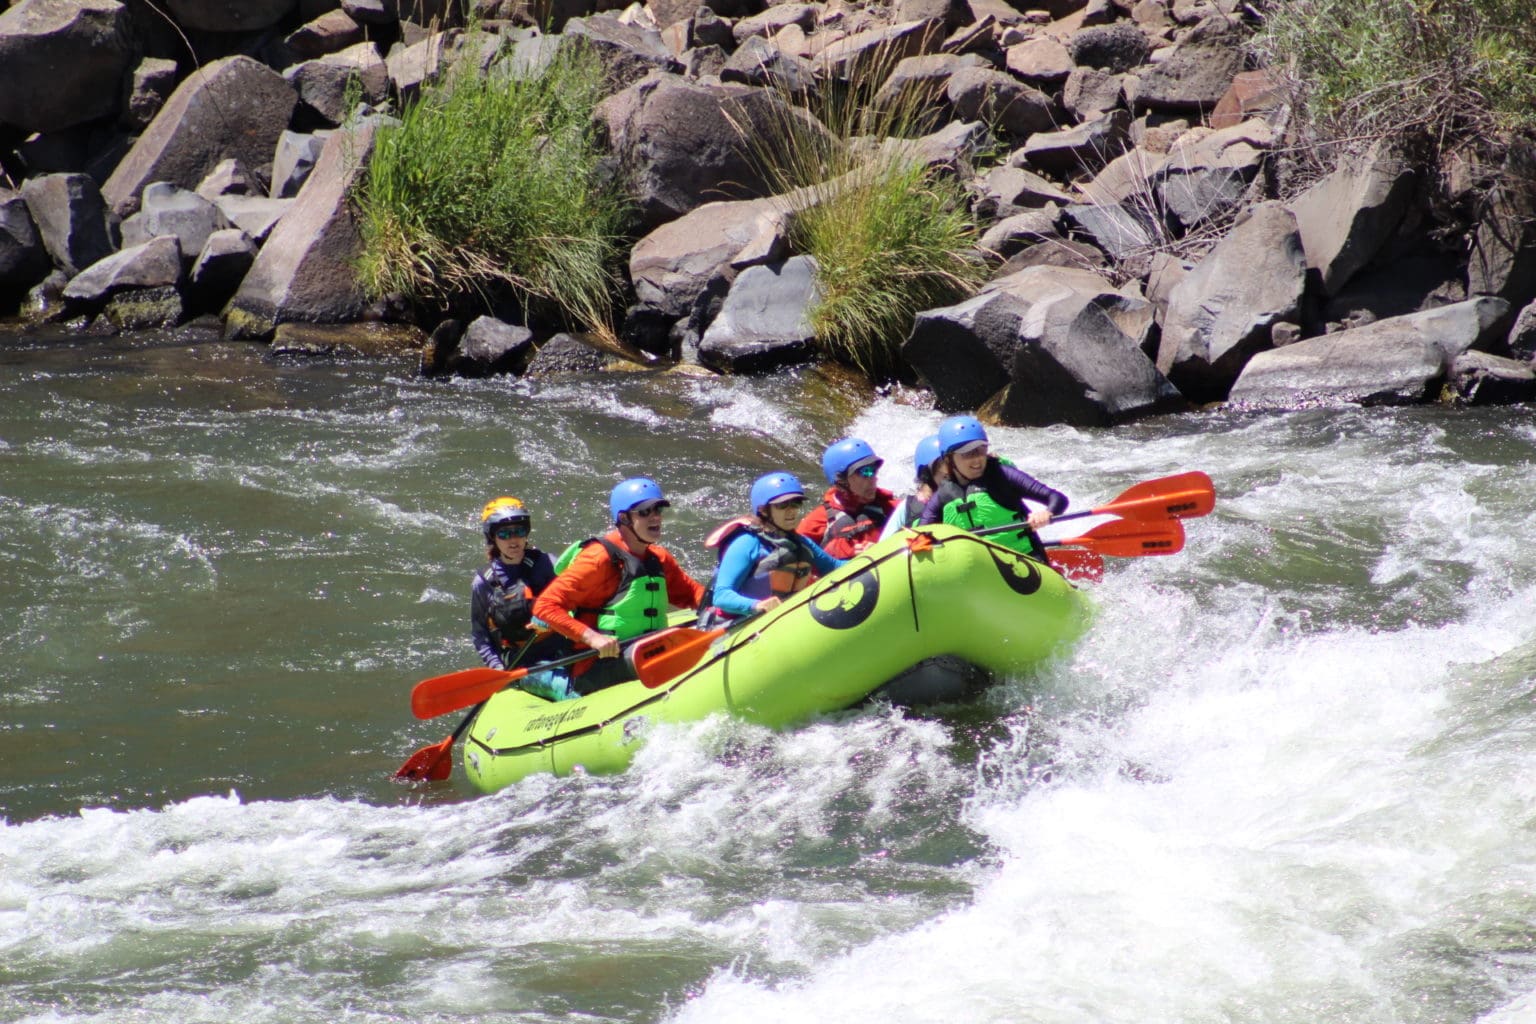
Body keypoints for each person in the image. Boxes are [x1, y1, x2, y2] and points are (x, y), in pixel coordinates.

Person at [532, 477, 706, 695]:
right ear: (624, 518)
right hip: (597, 665)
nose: (655, 517)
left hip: (649, 650)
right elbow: (545, 606)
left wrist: (720, 608)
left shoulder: (659, 557)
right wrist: (593, 638)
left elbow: (693, 594)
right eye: (645, 512)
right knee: (651, 658)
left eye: (658, 509)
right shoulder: (599, 559)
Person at [699, 472, 844, 627]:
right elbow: (721, 596)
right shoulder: (746, 542)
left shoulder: (801, 542)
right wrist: (756, 605)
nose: (791, 511)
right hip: (738, 624)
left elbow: (835, 567)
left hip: (783, 620)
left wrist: (864, 555)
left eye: (796, 503)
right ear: (763, 510)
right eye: (782, 505)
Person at [917, 414, 1069, 561]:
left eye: (981, 450)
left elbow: (1057, 498)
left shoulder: (1003, 475)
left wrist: (1047, 513)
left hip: (1025, 561)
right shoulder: (943, 495)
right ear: (948, 459)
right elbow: (921, 533)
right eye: (967, 454)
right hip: (979, 569)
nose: (977, 459)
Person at [469, 497, 573, 700]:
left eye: (519, 531)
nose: (513, 540)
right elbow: (480, 636)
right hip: (524, 662)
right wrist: (497, 668)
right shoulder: (484, 582)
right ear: (493, 537)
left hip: (562, 646)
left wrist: (554, 614)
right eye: (504, 534)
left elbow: (576, 598)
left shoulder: (548, 563)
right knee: (563, 687)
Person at [797, 437, 898, 559]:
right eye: (866, 472)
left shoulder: (891, 506)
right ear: (842, 481)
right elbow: (795, 561)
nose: (874, 478)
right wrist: (839, 552)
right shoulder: (816, 522)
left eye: (874, 470)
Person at [879, 433, 947, 541]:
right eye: (943, 465)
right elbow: (884, 544)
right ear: (927, 472)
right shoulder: (908, 507)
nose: (950, 471)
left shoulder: (964, 496)